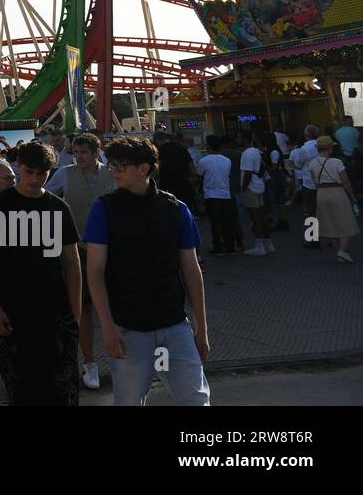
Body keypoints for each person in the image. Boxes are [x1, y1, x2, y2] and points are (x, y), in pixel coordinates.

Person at [85, 137, 210, 406]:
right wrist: (107, 327)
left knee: (196, 399)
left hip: (175, 325)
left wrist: (202, 328)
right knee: (129, 401)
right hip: (128, 328)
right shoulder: (104, 209)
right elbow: (94, 272)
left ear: (144, 169)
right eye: (112, 163)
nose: (114, 169)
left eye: (121, 164)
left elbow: (191, 269)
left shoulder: (176, 209)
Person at [0, 142, 82, 406]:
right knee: (22, 389)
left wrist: (76, 313)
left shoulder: (58, 207)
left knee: (62, 389)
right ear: (18, 167)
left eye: (42, 173)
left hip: (55, 310)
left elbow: (72, 262)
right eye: (29, 172)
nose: (35, 179)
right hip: (13, 309)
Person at [43, 132, 115, 390]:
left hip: (110, 247)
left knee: (115, 304)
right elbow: (46, 196)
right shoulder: (65, 173)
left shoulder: (112, 173)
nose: (79, 156)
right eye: (76, 152)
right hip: (80, 246)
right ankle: (90, 362)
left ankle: (122, 358)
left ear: (97, 153)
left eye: (84, 152)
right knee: (84, 308)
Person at [306, 135, 360, 263]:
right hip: (338, 193)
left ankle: (340, 252)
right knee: (346, 222)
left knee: (329, 224)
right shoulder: (337, 162)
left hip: (322, 194)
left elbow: (315, 181)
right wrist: (353, 197)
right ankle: (342, 251)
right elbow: (346, 182)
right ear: (330, 148)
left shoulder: (312, 163)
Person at [196, 136, 237, 256]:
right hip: (225, 194)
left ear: (209, 147)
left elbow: (199, 174)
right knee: (227, 221)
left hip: (211, 194)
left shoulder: (204, 161)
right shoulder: (226, 160)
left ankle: (218, 247)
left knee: (215, 222)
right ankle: (230, 247)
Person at [238, 133, 273, 256]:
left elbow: (247, 173)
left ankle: (259, 246)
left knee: (255, 217)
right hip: (259, 185)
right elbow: (263, 167)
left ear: (244, 139)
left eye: (239, 137)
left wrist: (243, 188)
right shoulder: (257, 152)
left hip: (251, 188)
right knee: (262, 216)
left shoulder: (246, 154)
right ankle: (268, 244)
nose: (237, 139)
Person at [291, 125, 323, 248]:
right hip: (324, 180)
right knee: (325, 210)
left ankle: (314, 239)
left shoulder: (304, 149)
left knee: (311, 211)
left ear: (306, 135)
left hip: (309, 182)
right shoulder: (322, 145)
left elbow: (298, 165)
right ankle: (331, 236)